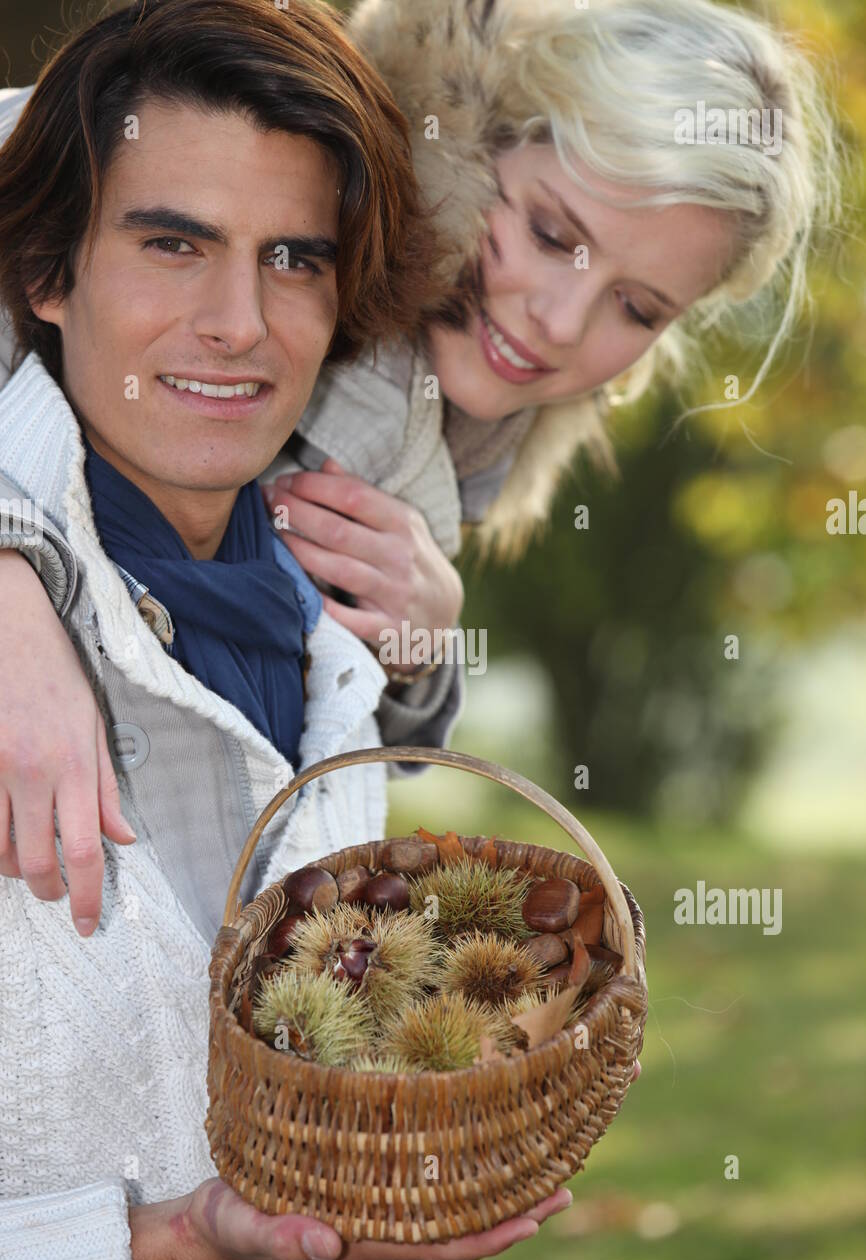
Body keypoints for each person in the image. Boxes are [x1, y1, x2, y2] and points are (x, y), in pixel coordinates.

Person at [0, 0, 841, 930]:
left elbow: (314, 712)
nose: (559, 322)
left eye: (637, 309)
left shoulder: (467, 436)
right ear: (474, 145)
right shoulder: (254, 133)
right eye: (553, 235)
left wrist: (419, 656)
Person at [0, 0, 571, 1260]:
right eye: (171, 243)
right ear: (44, 269)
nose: (240, 321)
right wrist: (175, 1248)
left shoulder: (330, 638)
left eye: (294, 258)